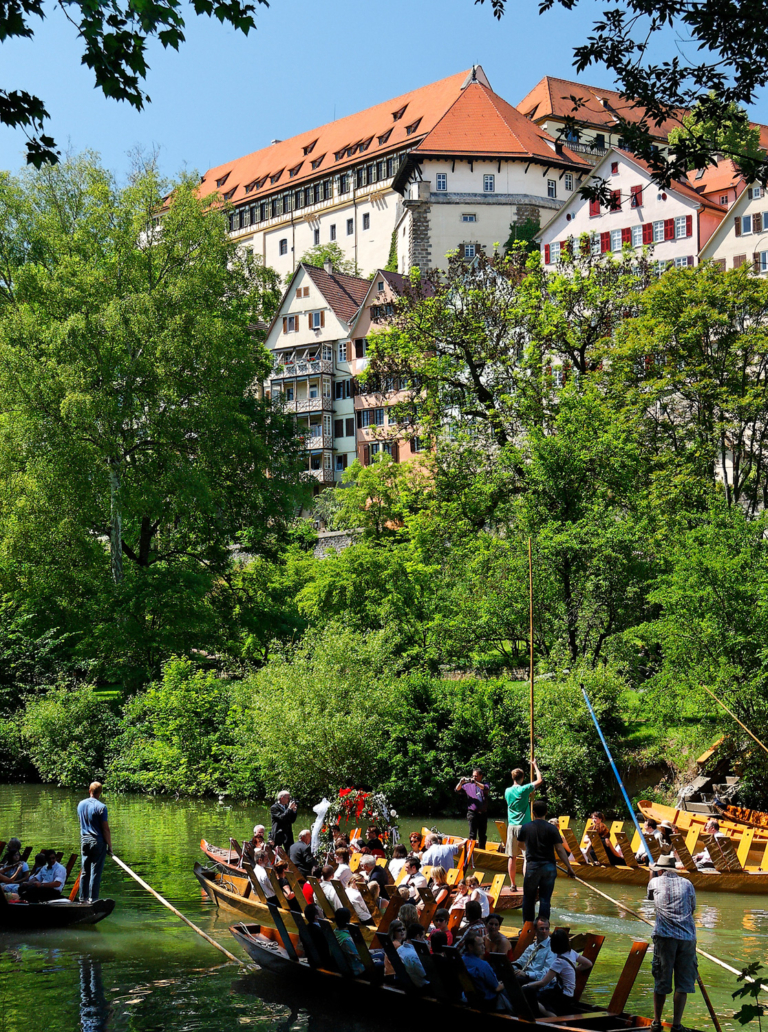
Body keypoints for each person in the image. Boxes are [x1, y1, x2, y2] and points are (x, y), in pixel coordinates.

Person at [647, 853, 698, 1032]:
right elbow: (692, 908)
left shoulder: (654, 882)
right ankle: (677, 1025)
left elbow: (651, 898)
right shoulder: (688, 884)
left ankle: (656, 1022)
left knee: (662, 980)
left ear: (660, 870)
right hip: (687, 937)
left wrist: (651, 873)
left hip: (665, 937)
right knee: (683, 984)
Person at [517, 799, 574, 923]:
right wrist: (569, 867)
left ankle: (528, 927)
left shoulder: (526, 827)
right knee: (545, 899)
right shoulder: (552, 829)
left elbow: (520, 845)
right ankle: (543, 927)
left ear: (533, 813)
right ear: (546, 812)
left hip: (533, 866)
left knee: (529, 899)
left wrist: (530, 848)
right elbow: (560, 849)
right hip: (548, 867)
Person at [526, 927, 592, 1017]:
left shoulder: (559, 962)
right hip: (570, 994)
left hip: (563, 996)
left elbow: (543, 982)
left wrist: (526, 986)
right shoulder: (572, 953)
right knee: (543, 993)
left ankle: (555, 1018)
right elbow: (588, 964)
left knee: (535, 999)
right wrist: (573, 970)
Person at [504, 761, 542, 891]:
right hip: (524, 827)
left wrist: (527, 796)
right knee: (527, 857)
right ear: (522, 777)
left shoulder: (507, 791)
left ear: (513, 778)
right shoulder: (523, 789)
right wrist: (535, 765)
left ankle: (513, 884)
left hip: (512, 827)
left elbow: (517, 800)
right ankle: (528, 884)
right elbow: (539, 780)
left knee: (512, 857)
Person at [77, 781, 112, 902]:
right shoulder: (101, 807)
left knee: (85, 872)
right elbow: (105, 829)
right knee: (95, 872)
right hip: (98, 842)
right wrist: (110, 846)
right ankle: (93, 899)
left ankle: (83, 898)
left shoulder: (81, 804)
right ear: (100, 792)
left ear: (89, 791)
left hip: (84, 841)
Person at [462, 932, 511, 1011]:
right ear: (470, 947)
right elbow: (496, 988)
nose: (483, 947)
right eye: (480, 945)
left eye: (483, 944)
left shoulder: (462, 960)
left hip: (469, 998)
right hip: (486, 1003)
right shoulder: (483, 965)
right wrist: (506, 983)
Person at [456, 767, 491, 848]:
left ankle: (482, 851)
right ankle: (471, 851)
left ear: (481, 776)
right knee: (472, 834)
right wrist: (461, 782)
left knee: (482, 835)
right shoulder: (468, 785)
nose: (474, 778)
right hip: (472, 813)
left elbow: (485, 788)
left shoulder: (485, 784)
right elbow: (457, 790)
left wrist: (475, 783)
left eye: (476, 776)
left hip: (483, 814)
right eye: (473, 776)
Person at [513, 917, 554, 983]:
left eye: (546, 929)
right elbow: (521, 961)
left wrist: (526, 974)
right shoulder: (532, 947)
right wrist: (512, 967)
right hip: (525, 976)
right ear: (535, 930)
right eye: (541, 929)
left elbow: (546, 973)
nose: (544, 931)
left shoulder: (552, 948)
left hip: (538, 981)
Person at [333, 907, 365, 976]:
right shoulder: (347, 940)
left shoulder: (335, 932)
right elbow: (362, 959)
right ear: (349, 919)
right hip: (358, 969)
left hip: (345, 966)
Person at [397, 924, 430, 989]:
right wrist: (427, 954)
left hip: (407, 984)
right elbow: (425, 974)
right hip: (422, 986)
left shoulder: (399, 949)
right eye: (422, 937)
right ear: (417, 936)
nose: (423, 940)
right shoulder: (414, 955)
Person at [303, 903, 333, 967]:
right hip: (324, 963)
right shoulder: (321, 931)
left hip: (310, 961)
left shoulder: (304, 929)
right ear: (316, 917)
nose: (322, 910)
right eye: (320, 910)